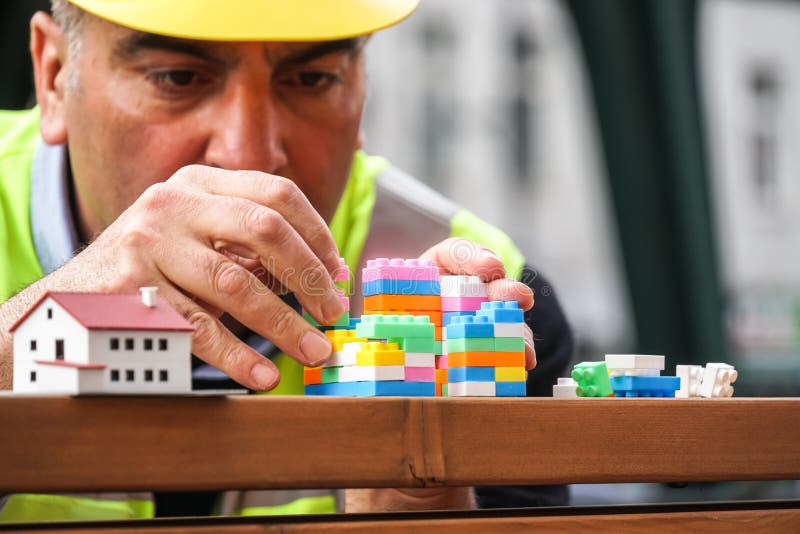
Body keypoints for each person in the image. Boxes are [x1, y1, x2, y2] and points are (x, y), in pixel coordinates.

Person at [0, 0, 573, 520]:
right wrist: (28, 344)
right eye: (178, 77)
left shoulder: (488, 297)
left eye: (312, 79)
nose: (249, 153)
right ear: (53, 77)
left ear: (362, 88)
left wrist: (413, 491)